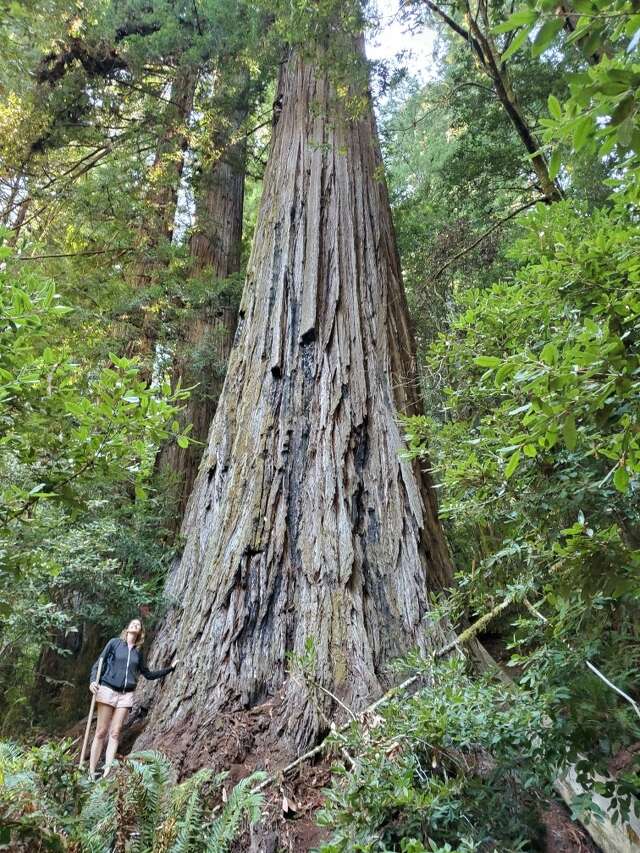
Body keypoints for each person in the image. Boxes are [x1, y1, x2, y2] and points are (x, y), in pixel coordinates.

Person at [88, 618, 177, 779]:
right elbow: (99, 663)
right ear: (127, 629)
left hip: (126, 695)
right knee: (101, 732)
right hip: (108, 689)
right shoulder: (114, 643)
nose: (136, 626)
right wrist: (93, 680)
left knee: (115, 733)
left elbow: (148, 674)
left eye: (138, 625)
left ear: (140, 632)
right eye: (133, 624)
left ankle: (106, 772)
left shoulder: (138, 653)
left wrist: (170, 669)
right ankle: (92, 771)